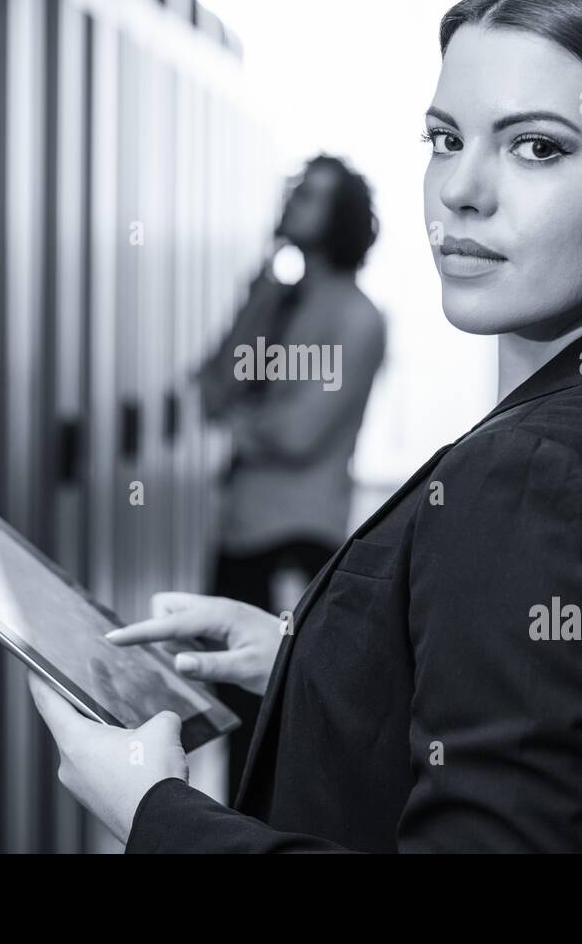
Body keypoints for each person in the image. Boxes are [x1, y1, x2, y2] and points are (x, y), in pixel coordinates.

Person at [28, 0, 582, 853]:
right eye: (446, 139)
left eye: (536, 146)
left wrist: (150, 811)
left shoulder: (540, 479)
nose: (461, 193)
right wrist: (321, 660)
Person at [192, 154, 387, 798]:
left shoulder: (358, 318)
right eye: (296, 192)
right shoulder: (276, 296)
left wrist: (248, 420)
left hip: (299, 536)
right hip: (241, 528)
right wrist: (258, 299)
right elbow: (213, 388)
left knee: (274, 715)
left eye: (314, 196)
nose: (297, 203)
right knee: (231, 702)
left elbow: (301, 435)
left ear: (343, 217)